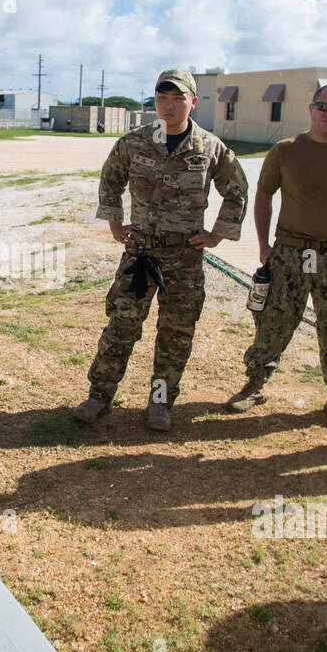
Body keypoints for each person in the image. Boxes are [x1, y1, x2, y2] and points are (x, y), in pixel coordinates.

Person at [73, 68, 249, 431]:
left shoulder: (210, 147)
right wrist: (115, 223)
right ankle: (99, 396)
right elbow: (111, 178)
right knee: (121, 325)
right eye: (162, 97)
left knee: (175, 332)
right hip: (140, 254)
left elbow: (237, 190)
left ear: (193, 102)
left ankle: (160, 403)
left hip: (184, 257)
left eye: (178, 98)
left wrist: (217, 234)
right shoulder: (133, 142)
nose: (169, 105)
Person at [226, 84, 327, 435]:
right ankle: (254, 386)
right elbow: (264, 196)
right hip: (289, 253)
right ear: (310, 109)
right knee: (274, 323)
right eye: (322, 106)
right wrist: (265, 247)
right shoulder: (284, 151)